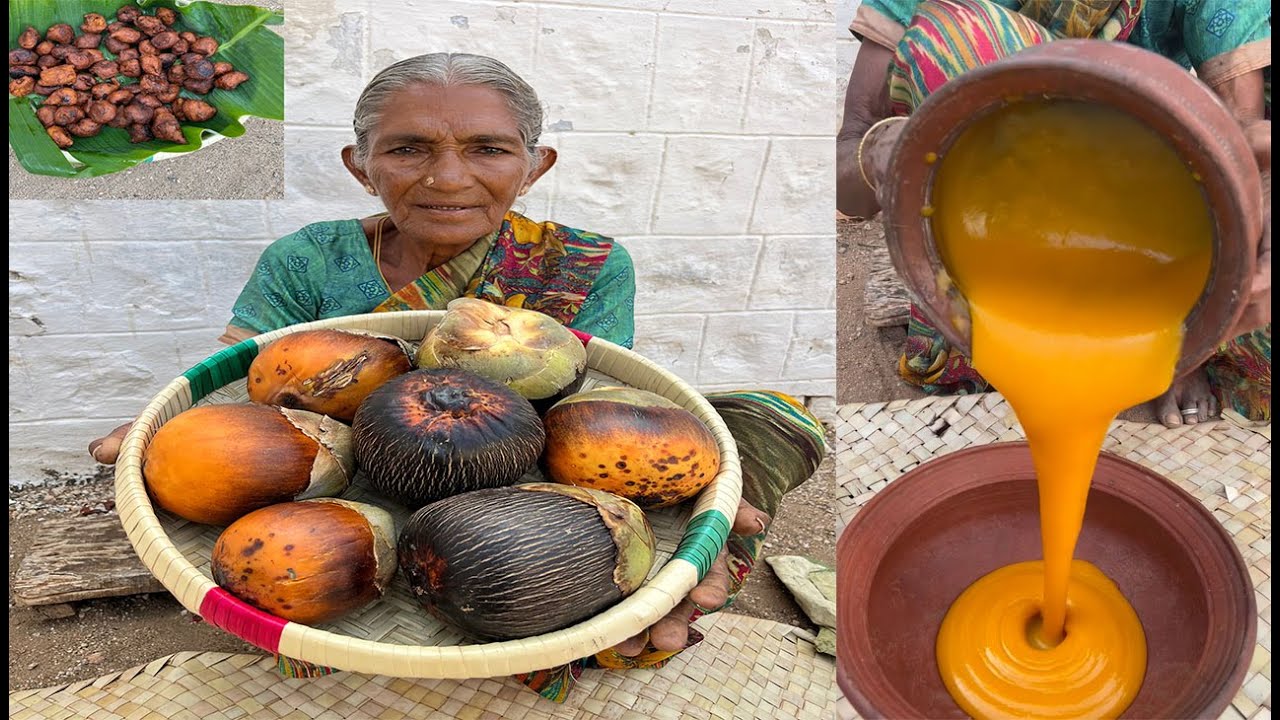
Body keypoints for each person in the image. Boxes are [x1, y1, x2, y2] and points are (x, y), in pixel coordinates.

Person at [89, 52, 825, 702]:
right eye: (408, 149)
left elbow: (600, 409)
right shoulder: (306, 260)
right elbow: (237, 387)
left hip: (526, 497)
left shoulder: (589, 264)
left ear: (535, 166)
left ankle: (626, 589)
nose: (448, 177)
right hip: (345, 492)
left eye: (489, 150)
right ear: (359, 164)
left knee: (770, 416)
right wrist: (167, 439)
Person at [837, 0, 1272, 427]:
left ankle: (1162, 330)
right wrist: (890, 154)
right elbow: (845, 184)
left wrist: (1192, 327)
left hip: (1143, 193)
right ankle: (1003, 320)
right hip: (990, 207)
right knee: (956, 36)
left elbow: (1236, 156)